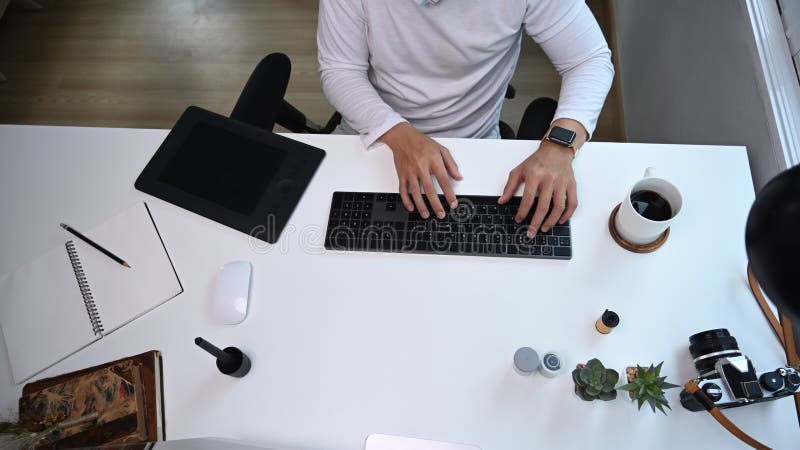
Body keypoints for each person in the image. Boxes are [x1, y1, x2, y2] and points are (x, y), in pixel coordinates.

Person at [317, 0, 613, 237]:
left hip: (474, 142)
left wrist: (559, 145)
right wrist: (397, 133)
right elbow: (340, 71)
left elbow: (588, 60)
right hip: (378, 135)